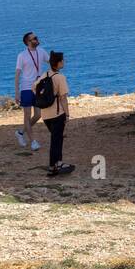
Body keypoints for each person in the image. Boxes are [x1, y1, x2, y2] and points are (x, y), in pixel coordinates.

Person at [40, 50, 75, 178]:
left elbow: (34, 88)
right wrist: (67, 114)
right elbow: (63, 98)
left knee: (56, 139)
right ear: (59, 63)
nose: (64, 62)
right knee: (56, 141)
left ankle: (55, 165)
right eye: (63, 60)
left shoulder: (44, 75)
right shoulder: (60, 77)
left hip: (45, 115)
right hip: (57, 113)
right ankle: (54, 166)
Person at [14, 31, 49, 151]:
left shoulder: (42, 51)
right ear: (28, 42)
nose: (37, 39)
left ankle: (20, 133)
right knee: (27, 115)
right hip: (26, 88)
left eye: (36, 37)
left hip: (38, 87)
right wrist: (17, 92)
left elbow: (51, 62)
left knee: (38, 115)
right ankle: (33, 141)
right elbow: (17, 74)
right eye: (34, 38)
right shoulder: (22, 55)